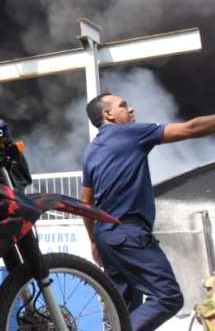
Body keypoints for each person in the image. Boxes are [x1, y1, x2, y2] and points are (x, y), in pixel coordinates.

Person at [80, 92, 215, 331]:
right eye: (123, 106)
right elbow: (190, 128)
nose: (131, 109)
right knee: (168, 297)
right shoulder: (131, 133)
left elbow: (86, 202)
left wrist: (93, 241)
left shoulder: (91, 151)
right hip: (129, 233)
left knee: (122, 311)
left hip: (106, 237)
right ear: (107, 114)